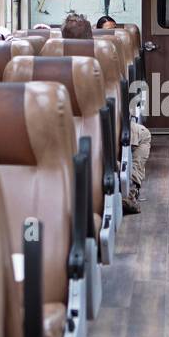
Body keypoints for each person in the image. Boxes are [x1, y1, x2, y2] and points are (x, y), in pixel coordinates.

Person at [63, 13, 151, 215]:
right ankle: (132, 188)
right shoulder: (102, 56)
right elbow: (118, 94)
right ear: (90, 34)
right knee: (143, 135)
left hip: (57, 132)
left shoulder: (47, 58)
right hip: (102, 128)